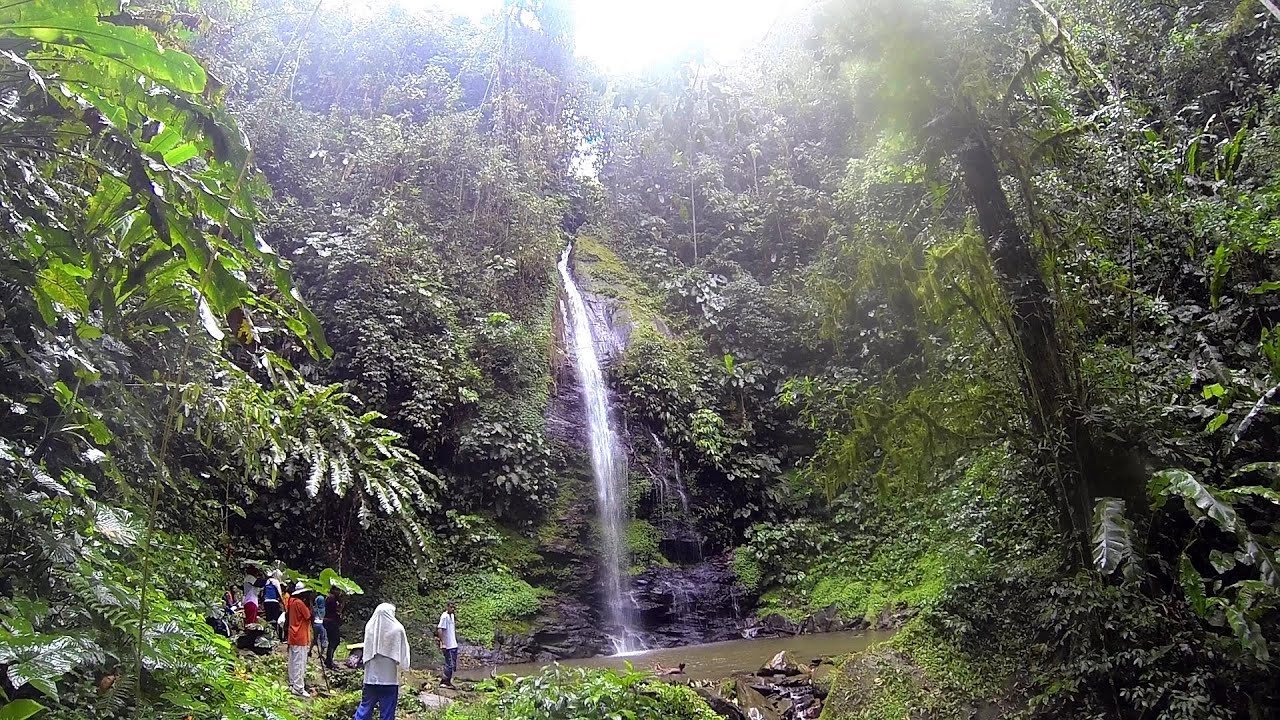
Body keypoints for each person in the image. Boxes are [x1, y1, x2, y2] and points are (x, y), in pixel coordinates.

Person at [352, 603, 410, 720]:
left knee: (364, 709)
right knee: (387, 713)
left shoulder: (370, 627)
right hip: (389, 679)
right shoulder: (397, 629)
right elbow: (404, 651)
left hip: (370, 678)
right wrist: (405, 666)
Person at [285, 582, 313, 698]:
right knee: (299, 663)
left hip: (292, 635)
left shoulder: (291, 602)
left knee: (292, 661)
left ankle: (292, 683)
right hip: (301, 636)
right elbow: (308, 616)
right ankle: (298, 687)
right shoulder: (300, 604)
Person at [436, 600, 459, 689]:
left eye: (454, 607)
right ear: (447, 607)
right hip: (448, 645)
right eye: (451, 607)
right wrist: (442, 643)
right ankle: (444, 682)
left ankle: (448, 681)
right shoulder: (444, 616)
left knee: (452, 664)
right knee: (449, 663)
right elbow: (440, 629)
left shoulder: (452, 616)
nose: (452, 609)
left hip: (453, 644)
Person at [323, 587, 343, 670]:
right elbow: (337, 610)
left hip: (330, 621)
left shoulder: (332, 598)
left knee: (334, 641)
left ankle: (329, 660)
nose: (339, 592)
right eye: (337, 590)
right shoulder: (332, 598)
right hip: (330, 621)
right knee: (334, 641)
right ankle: (329, 661)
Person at [262, 569, 284, 641]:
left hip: (266, 602)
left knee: (268, 619)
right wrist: (283, 603)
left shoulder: (267, 581)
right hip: (274, 601)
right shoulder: (276, 581)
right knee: (275, 619)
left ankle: (269, 636)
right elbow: (279, 593)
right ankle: (276, 636)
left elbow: (263, 593)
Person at [311, 591, 328, 661]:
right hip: (321, 624)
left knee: (314, 639)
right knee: (323, 639)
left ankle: (309, 651)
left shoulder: (315, 608)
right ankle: (321, 653)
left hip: (315, 624)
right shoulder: (324, 609)